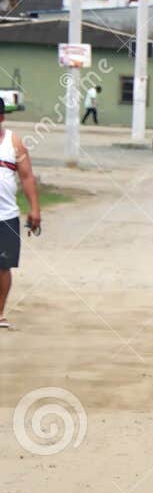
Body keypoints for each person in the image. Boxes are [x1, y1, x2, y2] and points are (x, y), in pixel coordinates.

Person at [0, 102, 43, 330]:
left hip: (6, 215)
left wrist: (35, 208)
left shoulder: (14, 143)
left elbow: (27, 177)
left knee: (3, 266)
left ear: (1, 118)